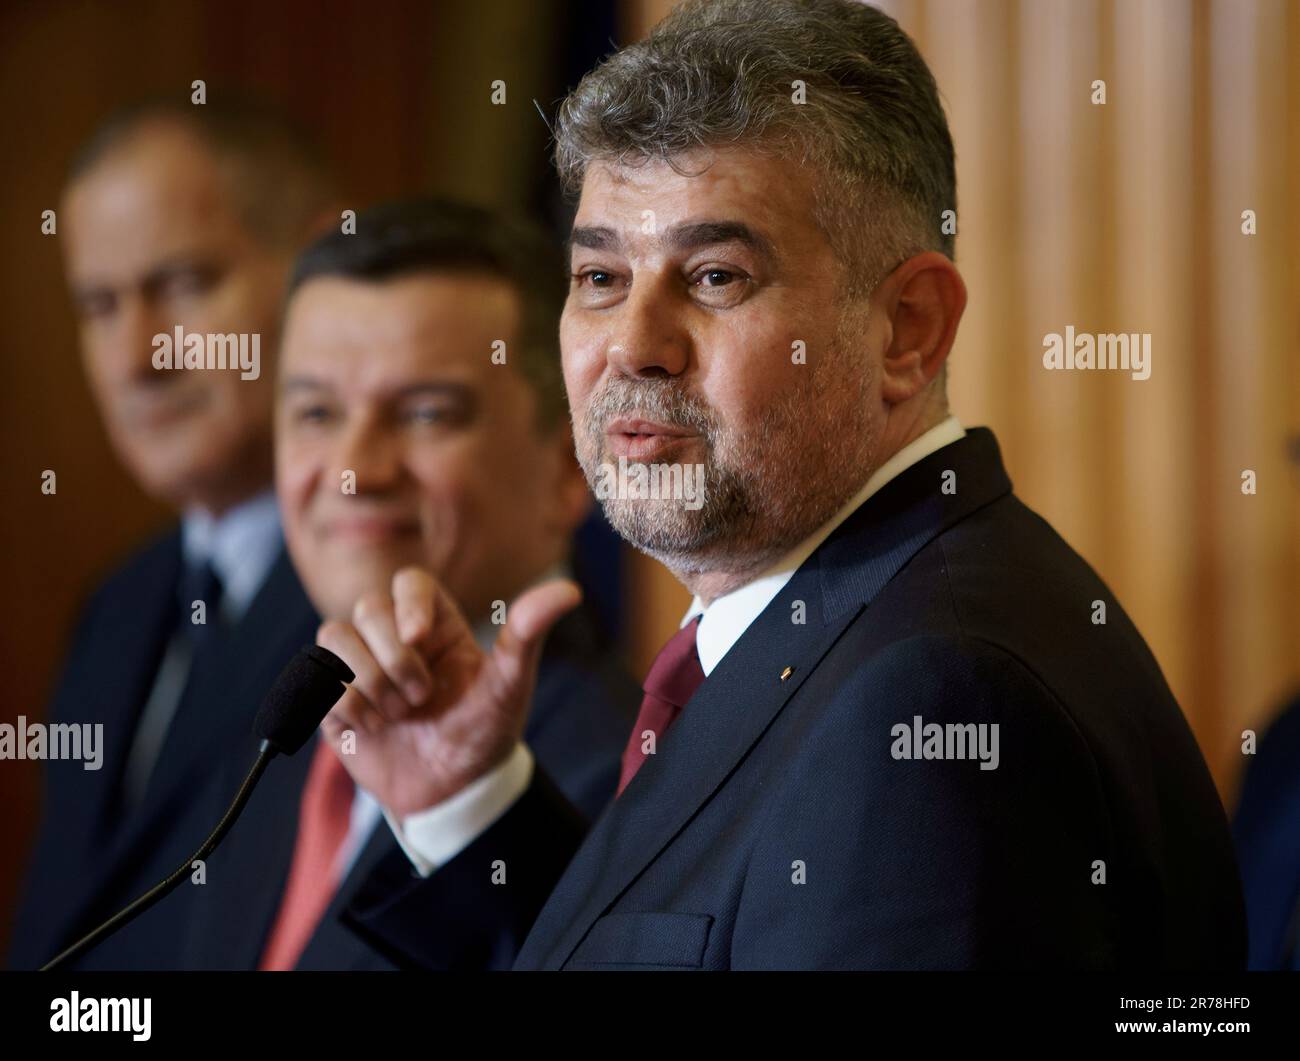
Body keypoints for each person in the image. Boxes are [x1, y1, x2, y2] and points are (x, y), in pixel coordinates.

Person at [324, 0, 1244, 969]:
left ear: (909, 328)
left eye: (715, 276)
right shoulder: (852, 618)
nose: (633, 345)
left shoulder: (932, 704)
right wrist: (466, 803)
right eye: (600, 277)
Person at [179, 200, 636, 970]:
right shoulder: (265, 725)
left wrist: (466, 809)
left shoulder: (628, 780)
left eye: (426, 413)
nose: (355, 469)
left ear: (570, 466)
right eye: (317, 411)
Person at [7, 99, 336, 970]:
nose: (135, 358)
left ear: (318, 268)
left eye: (183, 284)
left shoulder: (389, 596)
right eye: (99, 304)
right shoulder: (116, 607)